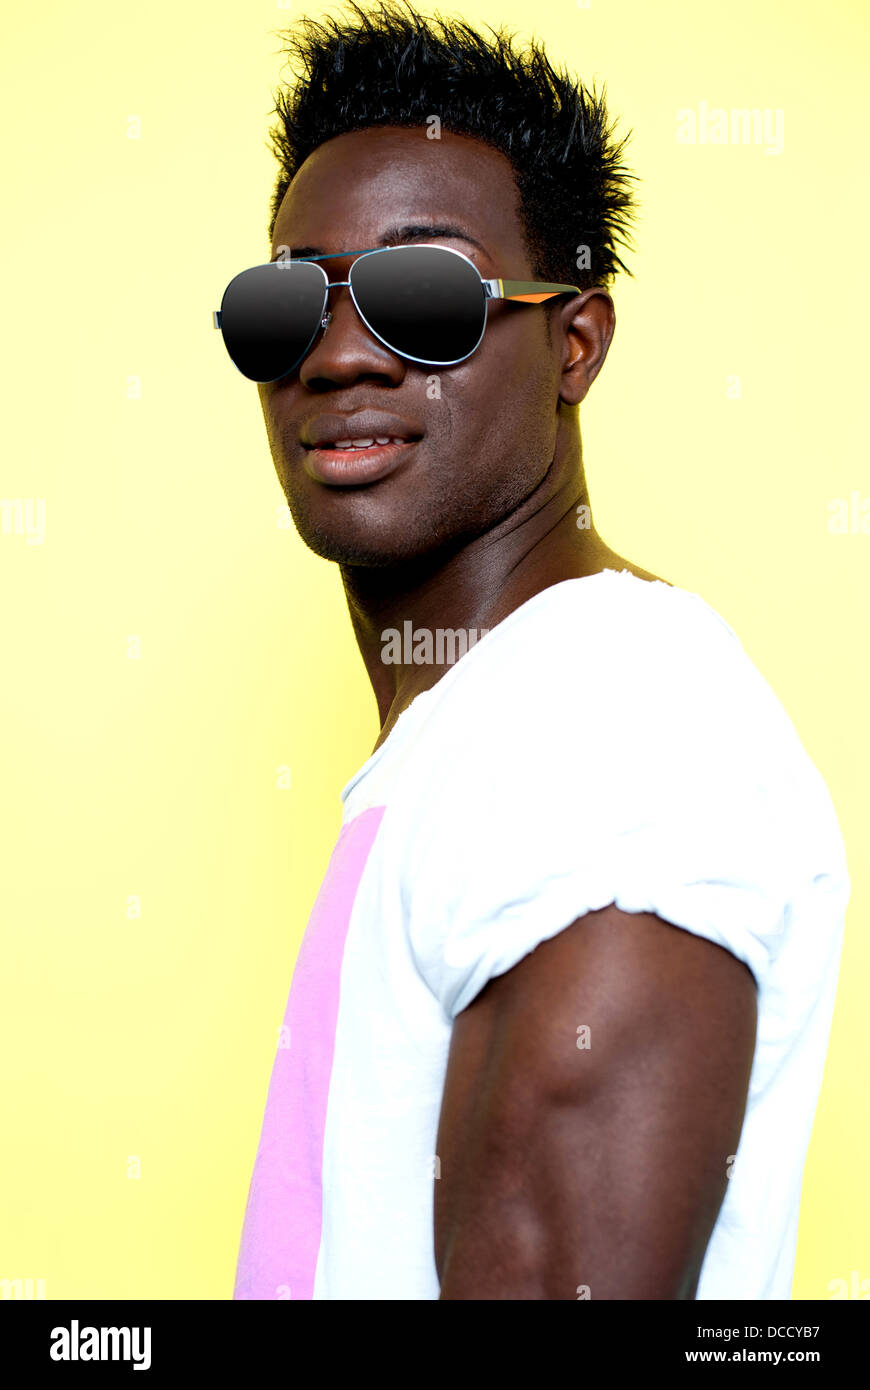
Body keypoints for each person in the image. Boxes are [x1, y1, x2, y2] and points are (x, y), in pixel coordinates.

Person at [216, 0, 850, 1299]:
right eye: (291, 299)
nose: (338, 353)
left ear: (575, 341)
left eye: (424, 295)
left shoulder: (606, 730)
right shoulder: (482, 734)